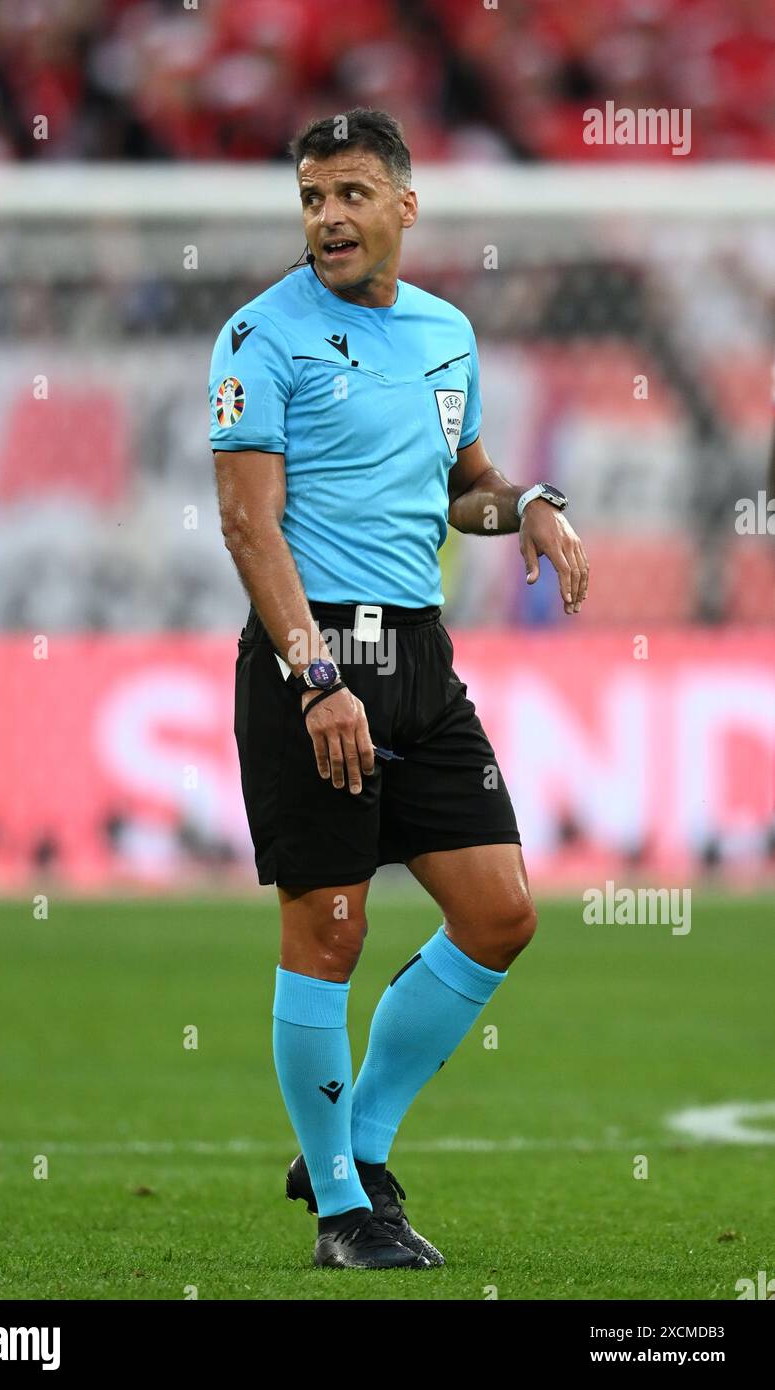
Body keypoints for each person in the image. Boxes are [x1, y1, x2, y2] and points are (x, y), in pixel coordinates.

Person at [209, 108, 589, 1270]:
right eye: (312, 197)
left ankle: (356, 1138)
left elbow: (460, 486)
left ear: (404, 206)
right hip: (311, 659)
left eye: (352, 194)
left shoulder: (444, 333)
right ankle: (339, 1211)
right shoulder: (256, 338)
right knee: (329, 927)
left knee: (498, 911)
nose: (328, 217)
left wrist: (524, 503)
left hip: (422, 659)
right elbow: (247, 523)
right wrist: (315, 677)